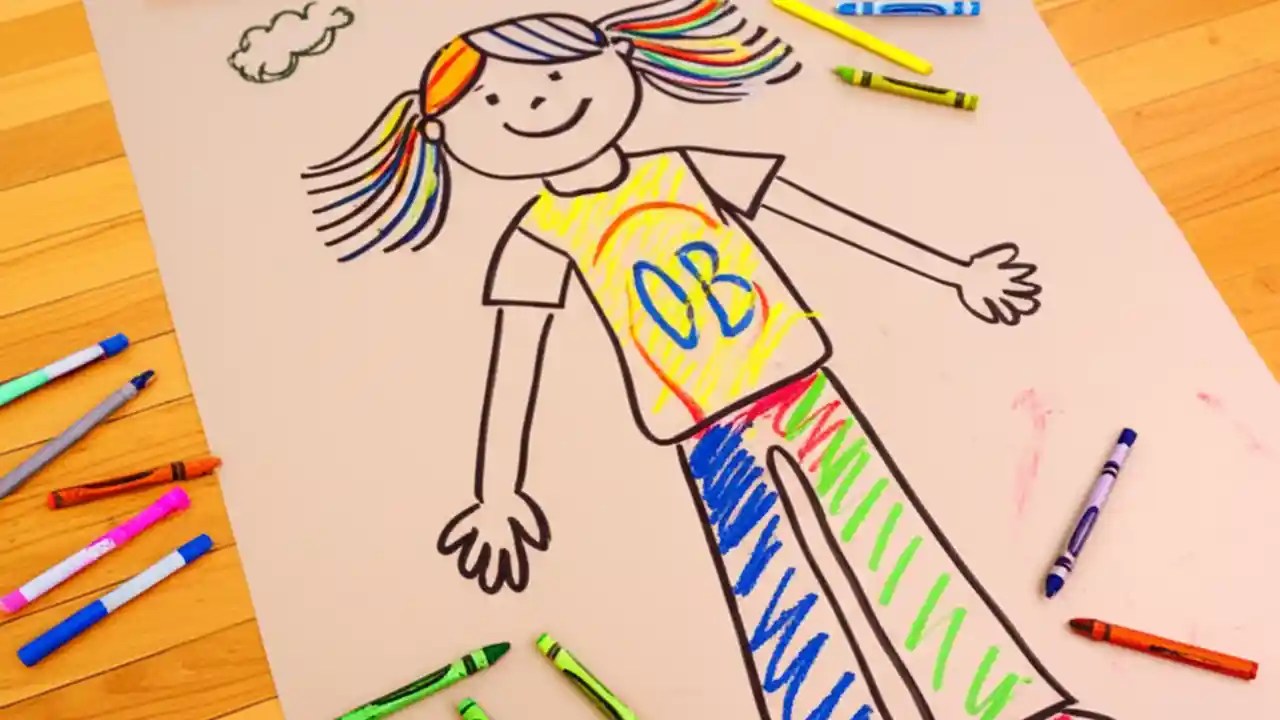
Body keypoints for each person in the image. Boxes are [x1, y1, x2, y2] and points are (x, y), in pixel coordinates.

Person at [302, 3, 1110, 719]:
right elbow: (518, 362)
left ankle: (1013, 706)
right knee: (775, 588)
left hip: (805, 390)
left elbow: (817, 214)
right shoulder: (538, 235)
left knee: (893, 544)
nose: (535, 102)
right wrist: (497, 493)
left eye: (552, 72)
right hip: (707, 433)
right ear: (443, 133)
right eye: (493, 100)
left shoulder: (684, 166)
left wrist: (954, 269)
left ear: (613, 60)